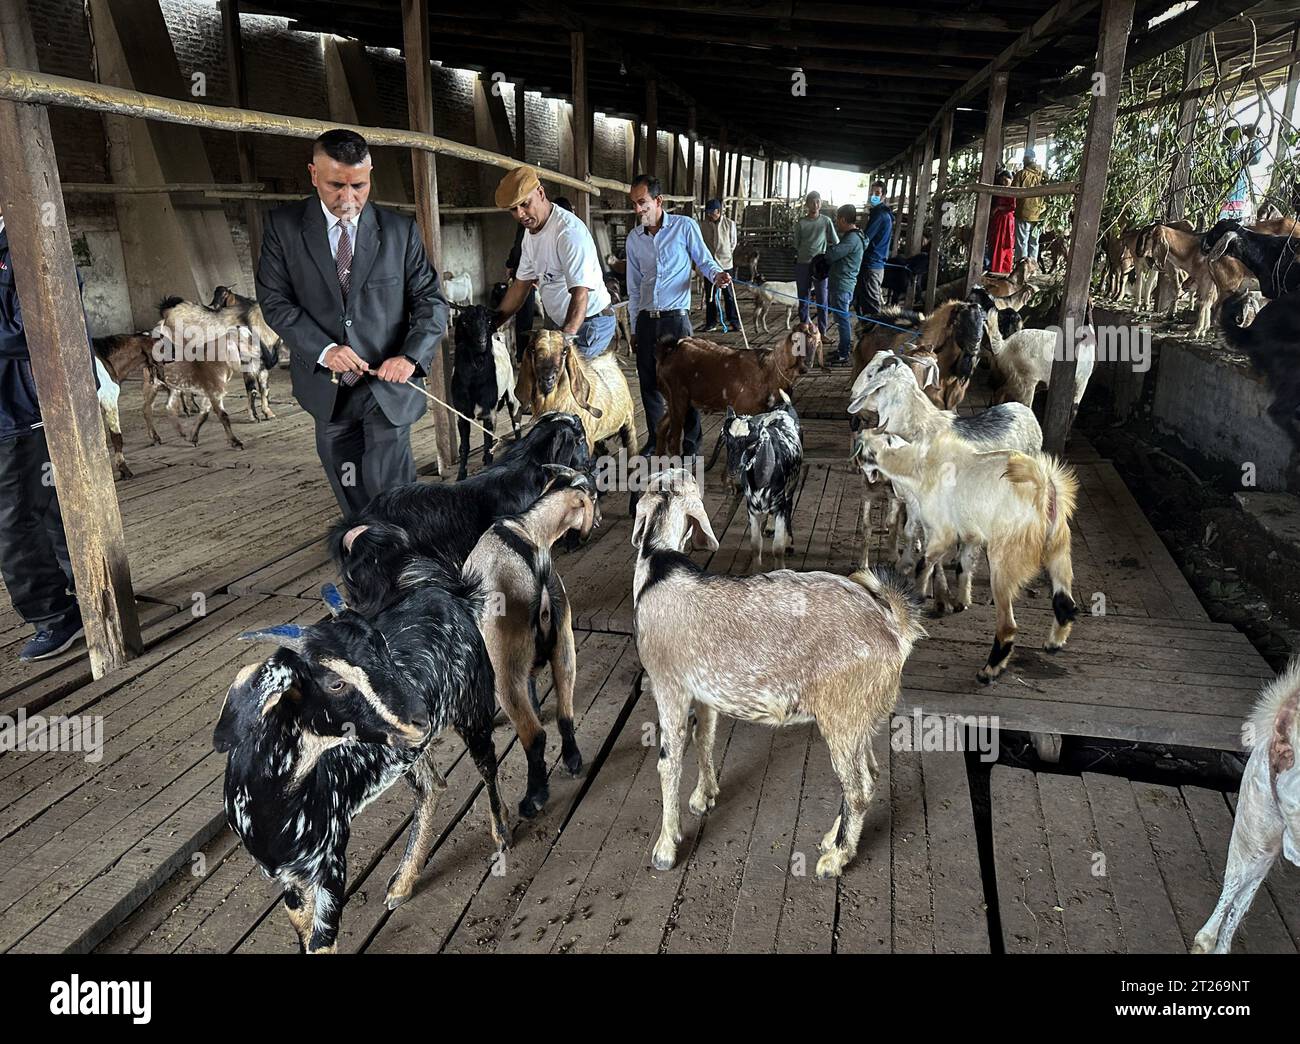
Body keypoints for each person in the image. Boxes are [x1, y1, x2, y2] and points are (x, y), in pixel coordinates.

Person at [256, 129, 449, 517]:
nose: (348, 199)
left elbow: (431, 303)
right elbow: (275, 302)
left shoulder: (399, 232)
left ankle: (406, 566)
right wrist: (324, 349)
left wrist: (410, 357)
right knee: (352, 494)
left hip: (388, 389)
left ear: (370, 174)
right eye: (335, 186)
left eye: (358, 185)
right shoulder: (283, 228)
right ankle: (366, 561)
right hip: (328, 393)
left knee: (394, 495)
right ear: (313, 174)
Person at [0, 203, 94, 661]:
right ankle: (86, 595)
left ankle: (57, 615)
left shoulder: (31, 247)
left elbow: (35, 330)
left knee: (15, 522)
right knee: (46, 507)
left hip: (25, 408)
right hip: (13, 410)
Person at [625, 174, 730, 456]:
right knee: (649, 384)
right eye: (634, 204)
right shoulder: (634, 240)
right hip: (647, 320)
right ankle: (656, 440)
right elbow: (633, 289)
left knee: (687, 384)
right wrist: (634, 327)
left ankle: (691, 443)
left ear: (658, 201)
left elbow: (704, 259)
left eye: (643, 203)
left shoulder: (684, 227)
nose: (638, 210)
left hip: (676, 320)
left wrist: (717, 275)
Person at [491, 166, 614, 363]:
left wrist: (564, 341)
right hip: (558, 320)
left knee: (564, 383)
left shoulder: (567, 233)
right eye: (513, 209)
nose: (521, 214)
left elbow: (580, 294)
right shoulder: (530, 236)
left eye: (525, 204)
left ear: (540, 193)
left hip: (590, 322)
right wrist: (492, 323)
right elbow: (520, 286)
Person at [823, 204, 865, 365]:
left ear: (842, 219)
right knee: (841, 319)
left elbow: (832, 255)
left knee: (842, 320)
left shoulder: (852, 239)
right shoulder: (855, 236)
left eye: (837, 220)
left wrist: (828, 249)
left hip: (843, 284)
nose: (836, 223)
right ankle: (843, 349)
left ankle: (844, 354)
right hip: (843, 282)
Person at [793, 191, 838, 335]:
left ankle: (822, 332)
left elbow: (835, 241)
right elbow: (796, 244)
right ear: (807, 205)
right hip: (803, 263)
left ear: (821, 202)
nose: (815, 205)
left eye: (818, 201)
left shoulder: (826, 221)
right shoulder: (801, 223)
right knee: (803, 298)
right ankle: (804, 328)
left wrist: (826, 256)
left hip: (820, 265)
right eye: (812, 202)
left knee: (822, 299)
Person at [699, 198, 739, 332]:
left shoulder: (730, 224)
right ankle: (711, 322)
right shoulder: (702, 225)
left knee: (729, 294)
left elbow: (733, 243)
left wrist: (725, 255)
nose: (710, 215)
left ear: (719, 211)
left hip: (726, 263)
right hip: (709, 265)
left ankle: (733, 321)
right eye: (708, 213)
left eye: (712, 212)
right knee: (711, 294)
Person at [856, 180, 893, 317]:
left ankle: (876, 334)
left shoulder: (879, 215)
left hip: (872, 265)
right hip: (876, 265)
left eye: (877, 193)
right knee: (868, 302)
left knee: (872, 307)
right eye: (872, 193)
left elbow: (865, 239)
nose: (873, 196)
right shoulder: (885, 213)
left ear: (884, 196)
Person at [1220, 125, 1263, 222]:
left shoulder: (1239, 156)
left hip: (1238, 204)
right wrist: (1252, 136)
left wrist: (1253, 138)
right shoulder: (1224, 153)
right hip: (1227, 204)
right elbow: (1255, 158)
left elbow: (1255, 158)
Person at [1012, 149, 1046, 265]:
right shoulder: (1043, 174)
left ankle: (1021, 268)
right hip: (1040, 214)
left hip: (1024, 213)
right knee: (1034, 242)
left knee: (1022, 241)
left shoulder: (1021, 174)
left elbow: (1013, 191)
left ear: (1025, 159)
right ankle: (1032, 268)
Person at [988, 169, 1017, 275]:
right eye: (1002, 180)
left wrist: (998, 208)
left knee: (1004, 244)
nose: (1004, 182)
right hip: (999, 220)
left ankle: (1003, 268)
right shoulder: (1000, 190)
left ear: (1011, 180)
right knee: (997, 243)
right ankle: (997, 268)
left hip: (1006, 221)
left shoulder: (1012, 191)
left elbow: (1013, 207)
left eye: (1006, 180)